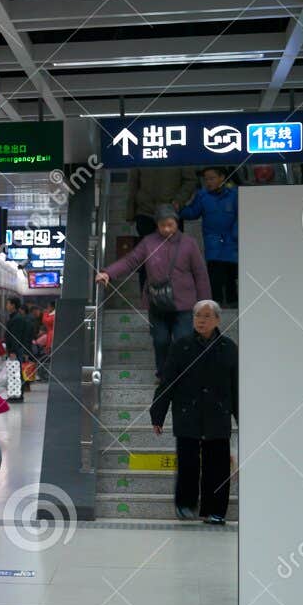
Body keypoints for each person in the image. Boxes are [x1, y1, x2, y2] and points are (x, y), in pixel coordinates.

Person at [96, 205, 212, 378]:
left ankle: (183, 374)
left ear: (177, 223)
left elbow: (200, 274)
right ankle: (164, 375)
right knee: (160, 341)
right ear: (157, 225)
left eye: (170, 225)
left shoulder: (189, 243)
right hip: (158, 302)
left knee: (183, 340)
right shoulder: (148, 242)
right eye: (162, 225)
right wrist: (108, 273)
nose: (166, 229)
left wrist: (205, 303)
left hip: (185, 303)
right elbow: (130, 261)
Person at [152, 299, 238, 525]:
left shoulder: (229, 348)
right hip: (187, 413)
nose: (201, 320)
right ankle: (185, 504)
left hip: (217, 415)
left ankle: (215, 510)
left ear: (218, 320)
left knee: (217, 466)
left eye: (207, 316)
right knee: (188, 463)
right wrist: (158, 414)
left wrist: (242, 417)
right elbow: (167, 382)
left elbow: (236, 386)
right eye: (198, 316)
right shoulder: (181, 346)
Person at [178, 167, 238, 306]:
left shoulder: (234, 194)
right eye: (206, 179)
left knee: (231, 275)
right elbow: (193, 212)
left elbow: (240, 215)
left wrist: (236, 234)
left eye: (212, 178)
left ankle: (233, 302)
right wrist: (178, 209)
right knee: (214, 275)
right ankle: (215, 304)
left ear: (222, 177)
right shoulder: (202, 195)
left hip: (232, 242)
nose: (208, 182)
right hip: (213, 243)